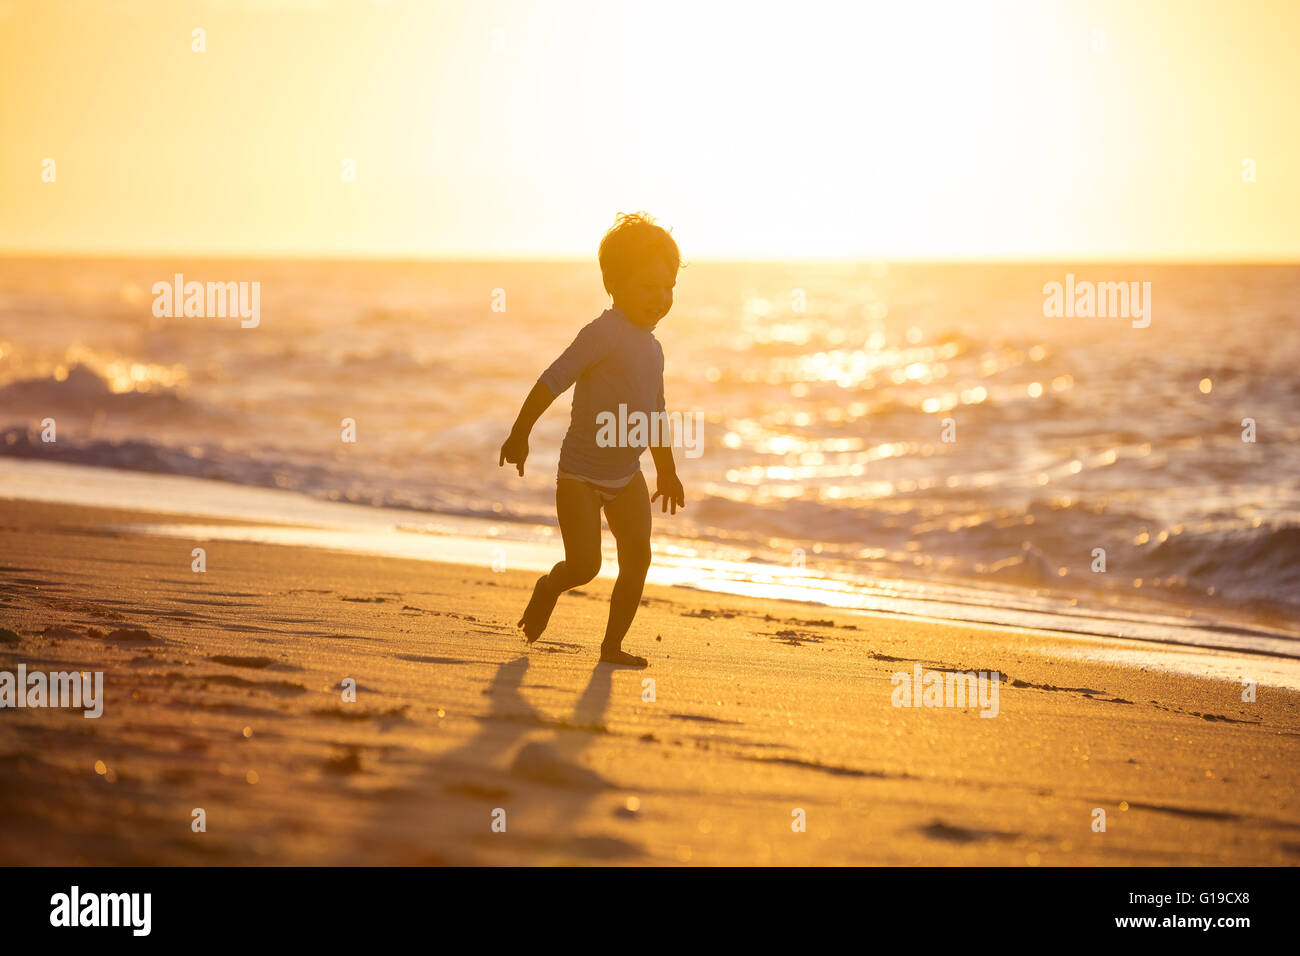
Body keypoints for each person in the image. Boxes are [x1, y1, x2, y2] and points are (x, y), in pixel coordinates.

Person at [498, 212, 686, 667]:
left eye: (668, 288)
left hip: (627, 476)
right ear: (614, 284)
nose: (660, 299)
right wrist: (521, 432)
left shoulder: (653, 347)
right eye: (648, 288)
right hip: (579, 475)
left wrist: (667, 470)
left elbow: (655, 413)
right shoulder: (601, 334)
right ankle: (548, 588)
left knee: (638, 559)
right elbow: (553, 379)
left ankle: (611, 647)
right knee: (585, 566)